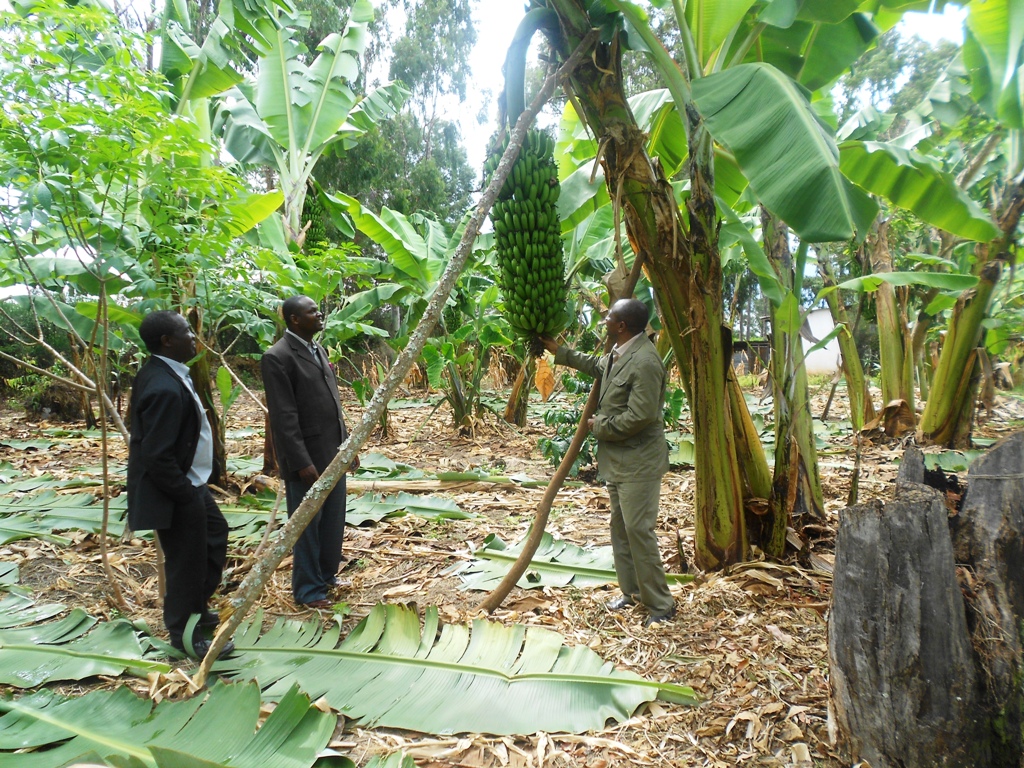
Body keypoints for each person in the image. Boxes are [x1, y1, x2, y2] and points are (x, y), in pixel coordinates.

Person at [541, 298, 676, 627]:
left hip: (639, 462)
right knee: (621, 529)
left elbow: (641, 415)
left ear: (622, 326)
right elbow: (597, 366)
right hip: (619, 462)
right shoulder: (621, 353)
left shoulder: (645, 360)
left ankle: (661, 605)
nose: (604, 321)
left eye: (610, 317)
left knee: (638, 531)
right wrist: (560, 351)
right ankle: (631, 592)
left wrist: (599, 426)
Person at [127, 311, 234, 658]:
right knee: (185, 561)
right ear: (167, 341)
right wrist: (184, 493)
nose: (194, 337)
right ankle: (185, 635)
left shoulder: (167, 373)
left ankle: (197, 608)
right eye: (187, 332)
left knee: (214, 535)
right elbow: (157, 455)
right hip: (175, 490)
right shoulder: (163, 387)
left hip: (188, 484)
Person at [262, 295, 356, 609]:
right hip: (306, 458)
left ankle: (327, 576)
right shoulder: (278, 357)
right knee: (306, 525)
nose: (319, 314)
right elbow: (283, 416)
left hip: (333, 451)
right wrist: (301, 461)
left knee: (332, 520)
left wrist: (348, 447)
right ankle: (308, 590)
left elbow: (333, 405)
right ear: (294, 320)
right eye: (311, 311)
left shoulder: (319, 349)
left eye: (317, 309)